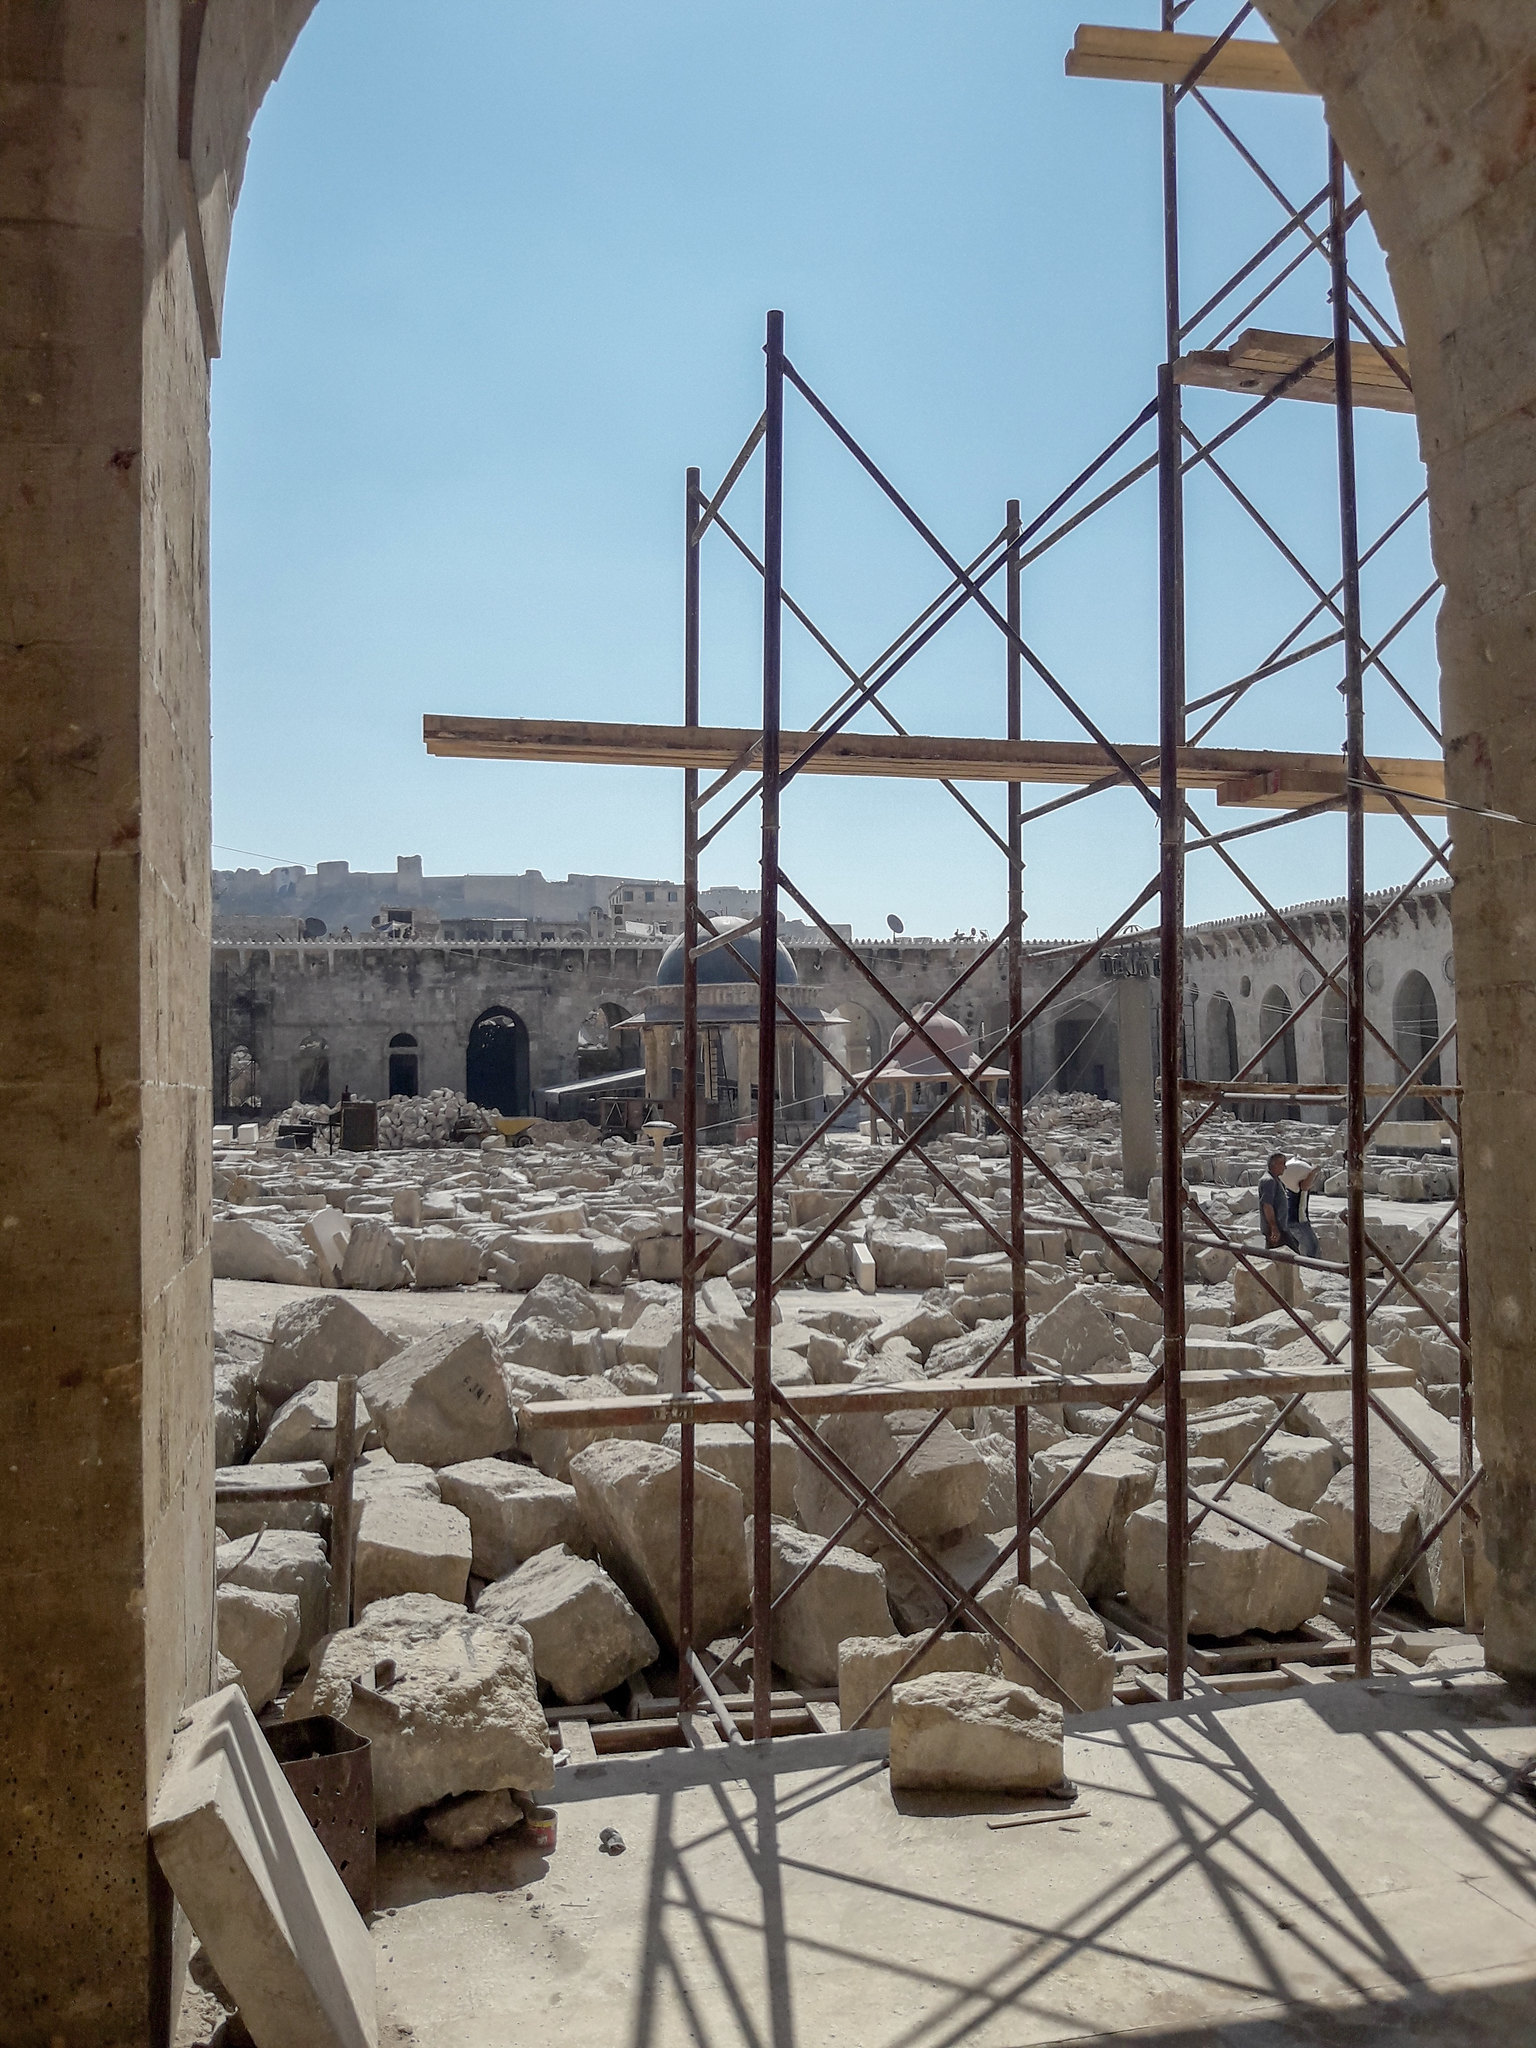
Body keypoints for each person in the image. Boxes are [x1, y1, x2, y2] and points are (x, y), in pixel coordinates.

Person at [1258, 1151, 1297, 1252]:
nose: (1285, 1167)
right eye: (1282, 1164)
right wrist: (1273, 1228)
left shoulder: (1276, 1180)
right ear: (1274, 1164)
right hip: (1276, 1229)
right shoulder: (1268, 1181)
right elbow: (1267, 1205)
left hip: (1281, 1227)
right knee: (1293, 1256)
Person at [1282, 1157, 1321, 1257]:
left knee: (1298, 1248)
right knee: (1312, 1248)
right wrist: (1312, 1172)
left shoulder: (1290, 1186)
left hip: (1290, 1220)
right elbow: (1304, 1186)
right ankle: (1313, 1270)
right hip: (1298, 1221)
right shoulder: (1299, 1187)